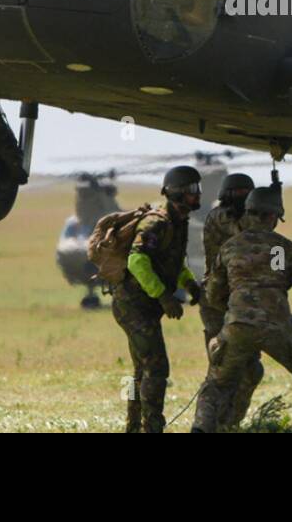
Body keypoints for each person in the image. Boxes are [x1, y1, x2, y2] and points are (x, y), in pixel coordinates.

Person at [192, 185, 292, 432]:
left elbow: (212, 294)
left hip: (237, 327)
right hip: (278, 327)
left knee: (215, 384)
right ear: (274, 216)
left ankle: (201, 427)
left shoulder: (230, 247)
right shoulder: (282, 248)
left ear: (249, 213)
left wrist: (235, 309)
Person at [111, 164, 203, 433]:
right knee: (157, 367)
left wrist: (189, 284)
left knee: (141, 370)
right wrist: (164, 296)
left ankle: (133, 427)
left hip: (144, 305)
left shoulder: (178, 221)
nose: (197, 195)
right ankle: (152, 427)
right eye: (192, 191)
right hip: (133, 306)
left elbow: (172, 263)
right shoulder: (158, 223)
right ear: (176, 194)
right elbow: (137, 260)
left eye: (198, 189)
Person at [198, 173, 264, 427]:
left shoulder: (251, 220)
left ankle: (228, 423)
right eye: (240, 193)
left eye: (248, 193)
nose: (244, 198)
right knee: (223, 369)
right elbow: (246, 234)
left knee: (250, 370)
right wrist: (268, 208)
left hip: (241, 300)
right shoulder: (220, 216)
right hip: (216, 300)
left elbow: (271, 249)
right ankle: (207, 425)